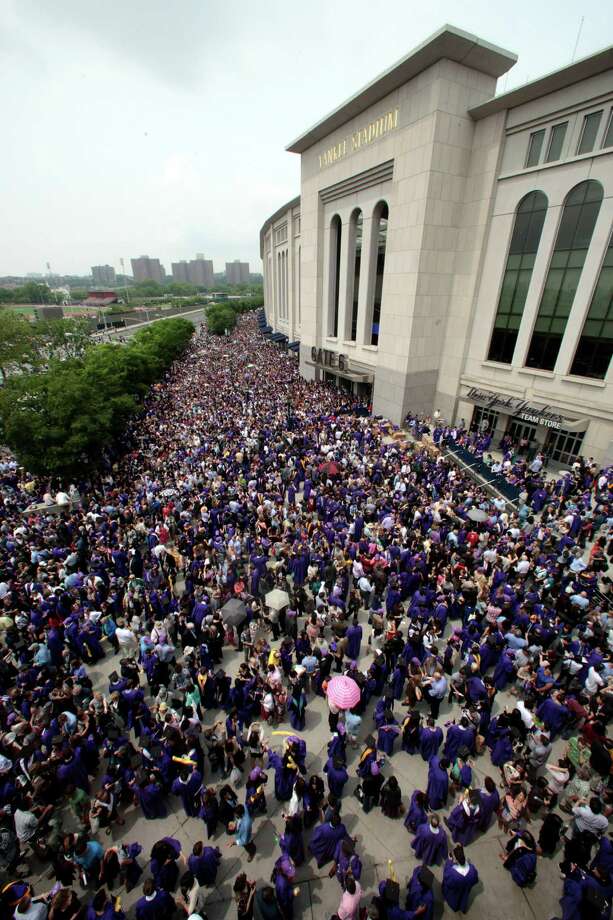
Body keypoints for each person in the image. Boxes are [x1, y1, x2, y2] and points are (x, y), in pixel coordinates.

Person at [441, 845, 479, 914]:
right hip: (465, 890)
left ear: (456, 860)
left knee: (454, 899)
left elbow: (448, 882)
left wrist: (449, 862)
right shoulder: (472, 869)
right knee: (463, 898)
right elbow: (475, 880)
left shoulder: (452, 873)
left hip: (455, 891)